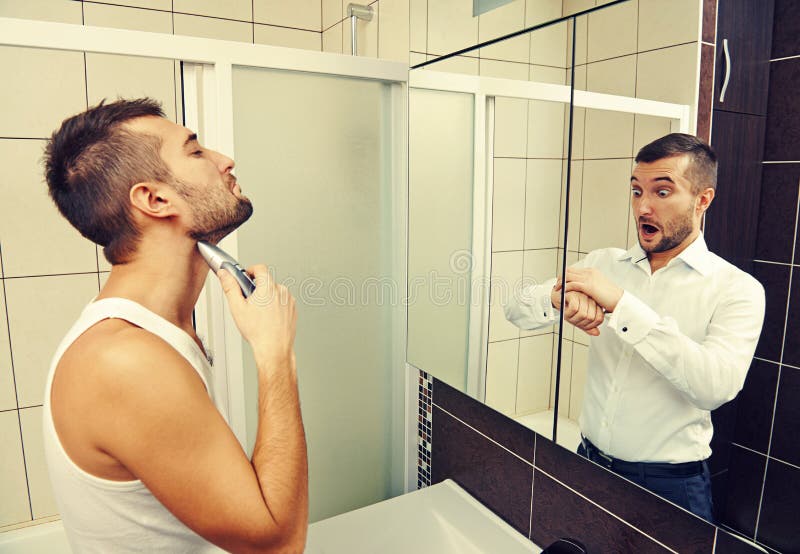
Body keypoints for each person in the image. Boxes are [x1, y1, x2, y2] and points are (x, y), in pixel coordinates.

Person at [42, 98, 308, 553]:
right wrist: (274, 351)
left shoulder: (156, 333)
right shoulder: (126, 360)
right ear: (154, 199)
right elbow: (278, 545)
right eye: (196, 151)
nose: (226, 160)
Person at [505, 133, 765, 521]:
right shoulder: (603, 265)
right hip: (587, 464)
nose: (643, 207)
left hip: (670, 487)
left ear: (703, 200)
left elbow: (715, 387)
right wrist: (558, 299)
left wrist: (621, 305)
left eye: (662, 192)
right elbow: (516, 308)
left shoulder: (737, 289)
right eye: (636, 191)